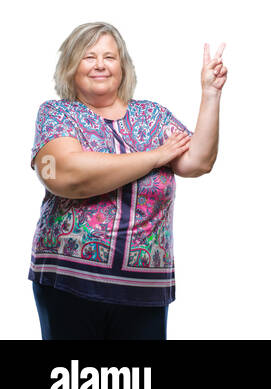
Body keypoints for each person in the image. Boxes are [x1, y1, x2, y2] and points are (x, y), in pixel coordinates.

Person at [30, 22, 227, 339]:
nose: (99, 65)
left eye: (109, 56)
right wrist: (153, 157)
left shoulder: (153, 116)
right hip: (71, 284)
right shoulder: (56, 113)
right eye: (88, 56)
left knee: (135, 386)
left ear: (123, 67)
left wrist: (210, 94)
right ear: (70, 66)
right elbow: (65, 175)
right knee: (81, 385)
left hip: (144, 289)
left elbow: (198, 161)